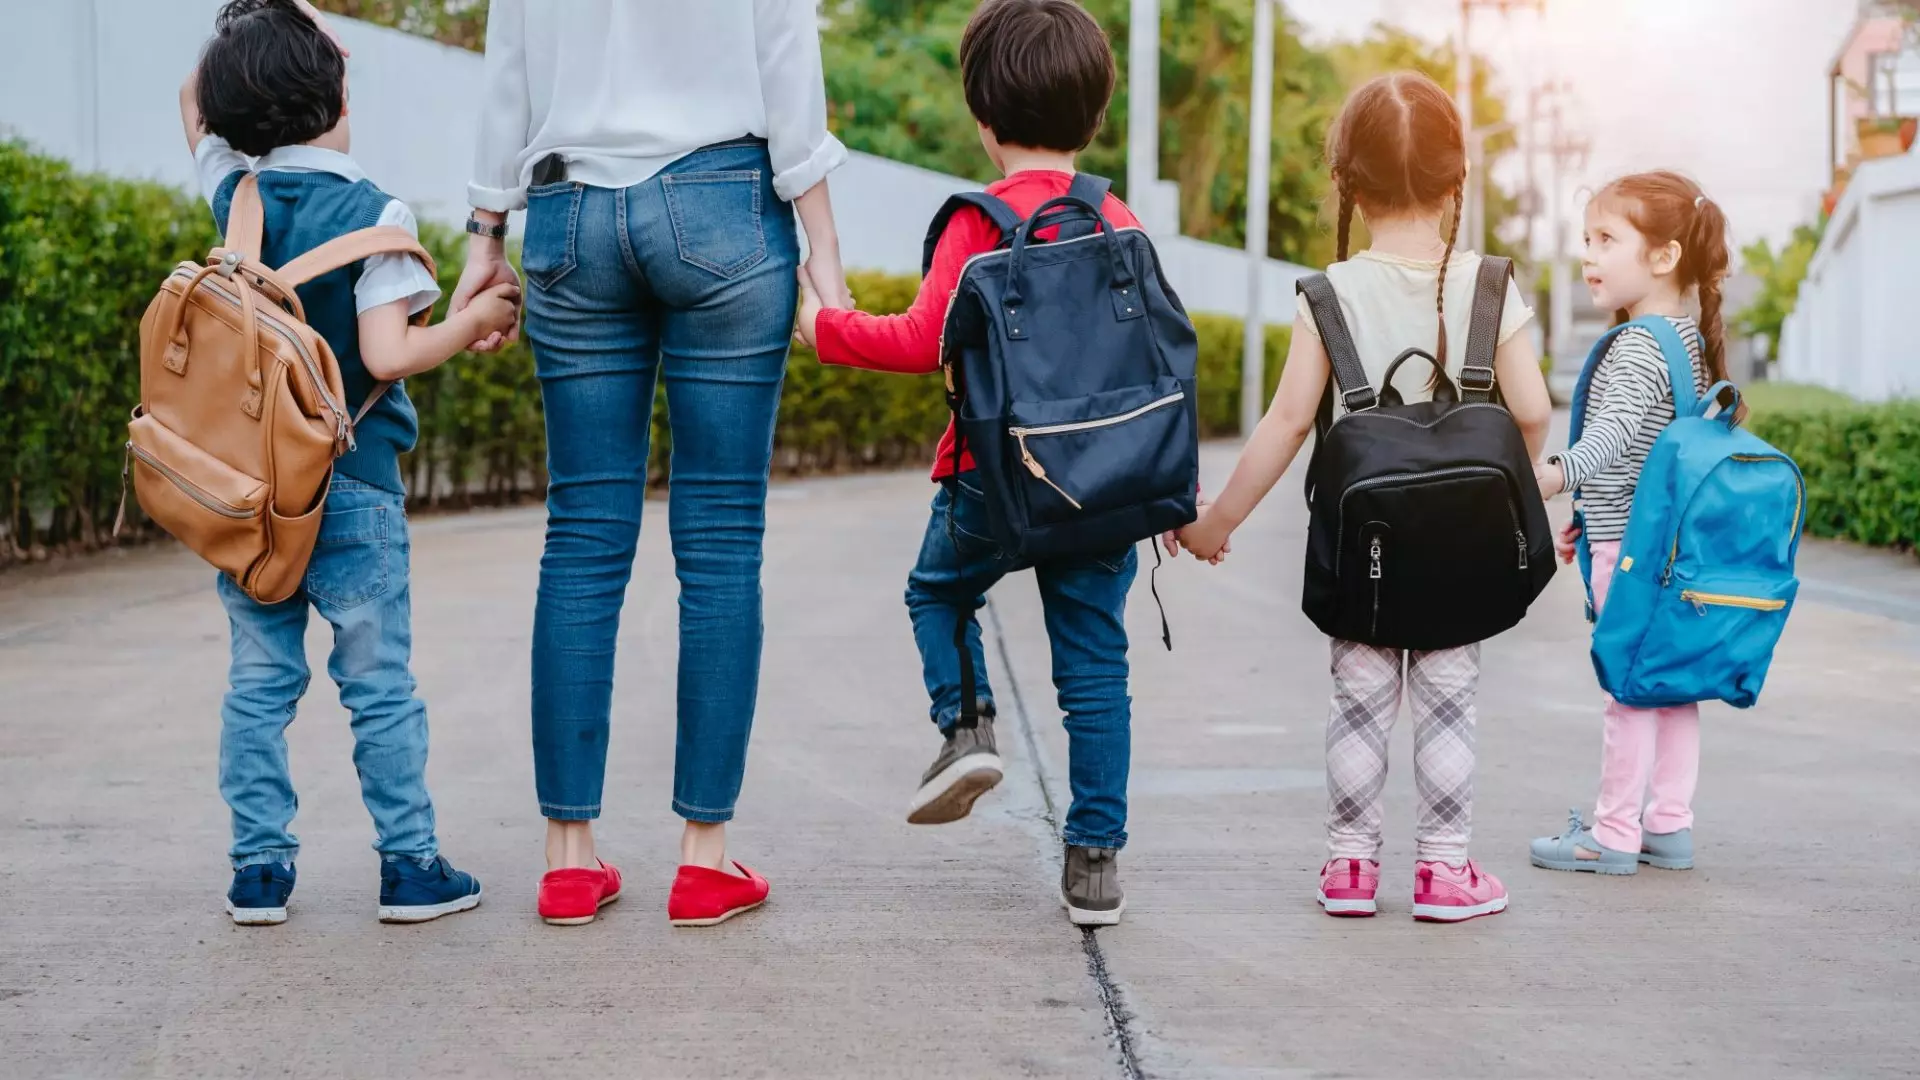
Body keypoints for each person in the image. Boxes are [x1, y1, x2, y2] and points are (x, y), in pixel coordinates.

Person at [457, 0, 851, 927]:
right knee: (719, 543)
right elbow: (787, 58)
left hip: (569, 218)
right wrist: (823, 249)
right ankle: (705, 861)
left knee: (583, 538)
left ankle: (567, 860)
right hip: (723, 205)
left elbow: (508, 64)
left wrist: (484, 237)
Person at [794, 0, 1143, 927]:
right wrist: (1173, 500)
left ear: (984, 122)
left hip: (991, 475)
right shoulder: (1120, 218)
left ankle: (966, 728)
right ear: (1095, 112)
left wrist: (823, 324)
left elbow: (918, 341)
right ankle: (1096, 863)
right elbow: (1155, 365)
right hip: (1106, 481)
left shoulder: (975, 222)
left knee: (939, 592)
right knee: (1095, 668)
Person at [1176, 72, 1553, 922]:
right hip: (1461, 551)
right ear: (1459, 180)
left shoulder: (1329, 294)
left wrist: (1214, 523)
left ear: (1346, 182)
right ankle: (1444, 874)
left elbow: (1281, 424)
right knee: (1448, 706)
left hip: (1365, 550)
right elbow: (1530, 411)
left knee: (1359, 704)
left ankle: (1349, 870)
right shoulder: (1490, 283)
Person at [181, 0, 520, 926]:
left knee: (258, 681)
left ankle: (258, 871)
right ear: (335, 92)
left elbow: (194, 102)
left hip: (251, 497)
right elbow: (387, 357)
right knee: (377, 684)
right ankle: (409, 868)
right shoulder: (376, 211)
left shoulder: (233, 198)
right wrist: (476, 321)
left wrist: (257, 31)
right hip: (354, 485)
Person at [1528, 172, 1729, 876]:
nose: (1589, 255)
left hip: (1635, 558)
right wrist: (1595, 511)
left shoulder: (1639, 344)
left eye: (1607, 239)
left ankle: (1611, 834)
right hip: (1672, 552)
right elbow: (1655, 452)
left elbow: (1613, 437)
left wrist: (1554, 477)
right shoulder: (1688, 341)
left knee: (1628, 693)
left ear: (1665, 257)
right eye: (1586, 238)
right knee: (1672, 689)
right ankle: (1668, 825)